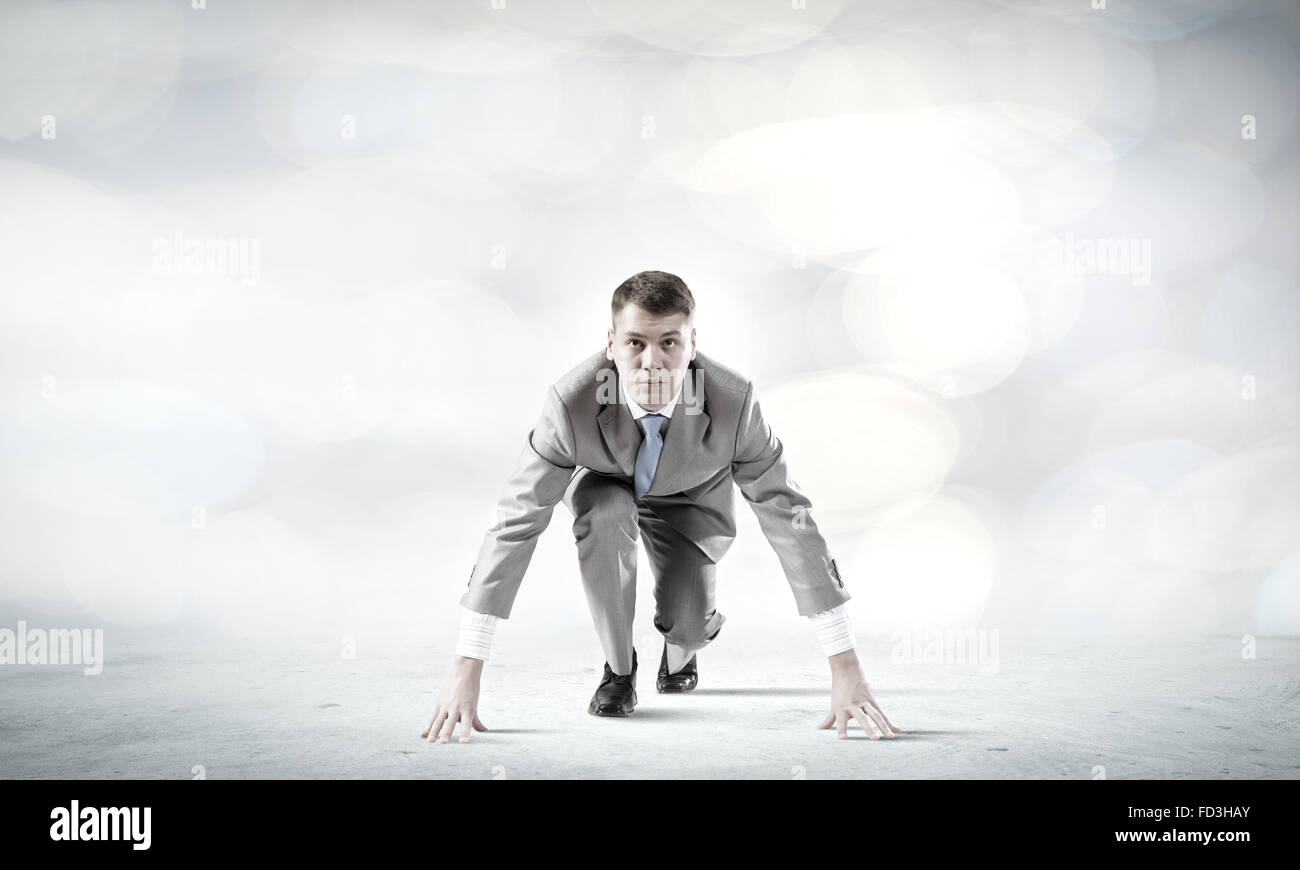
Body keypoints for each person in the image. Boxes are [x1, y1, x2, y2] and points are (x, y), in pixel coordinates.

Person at [420, 271, 901, 743]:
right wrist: (467, 664)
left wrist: (845, 663)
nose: (652, 362)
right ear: (610, 344)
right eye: (635, 343)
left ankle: (683, 650)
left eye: (669, 342)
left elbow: (787, 514)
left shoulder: (734, 403)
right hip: (605, 485)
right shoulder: (570, 405)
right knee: (606, 516)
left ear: (693, 344)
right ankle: (618, 670)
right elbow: (516, 522)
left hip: (691, 497)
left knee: (688, 625)